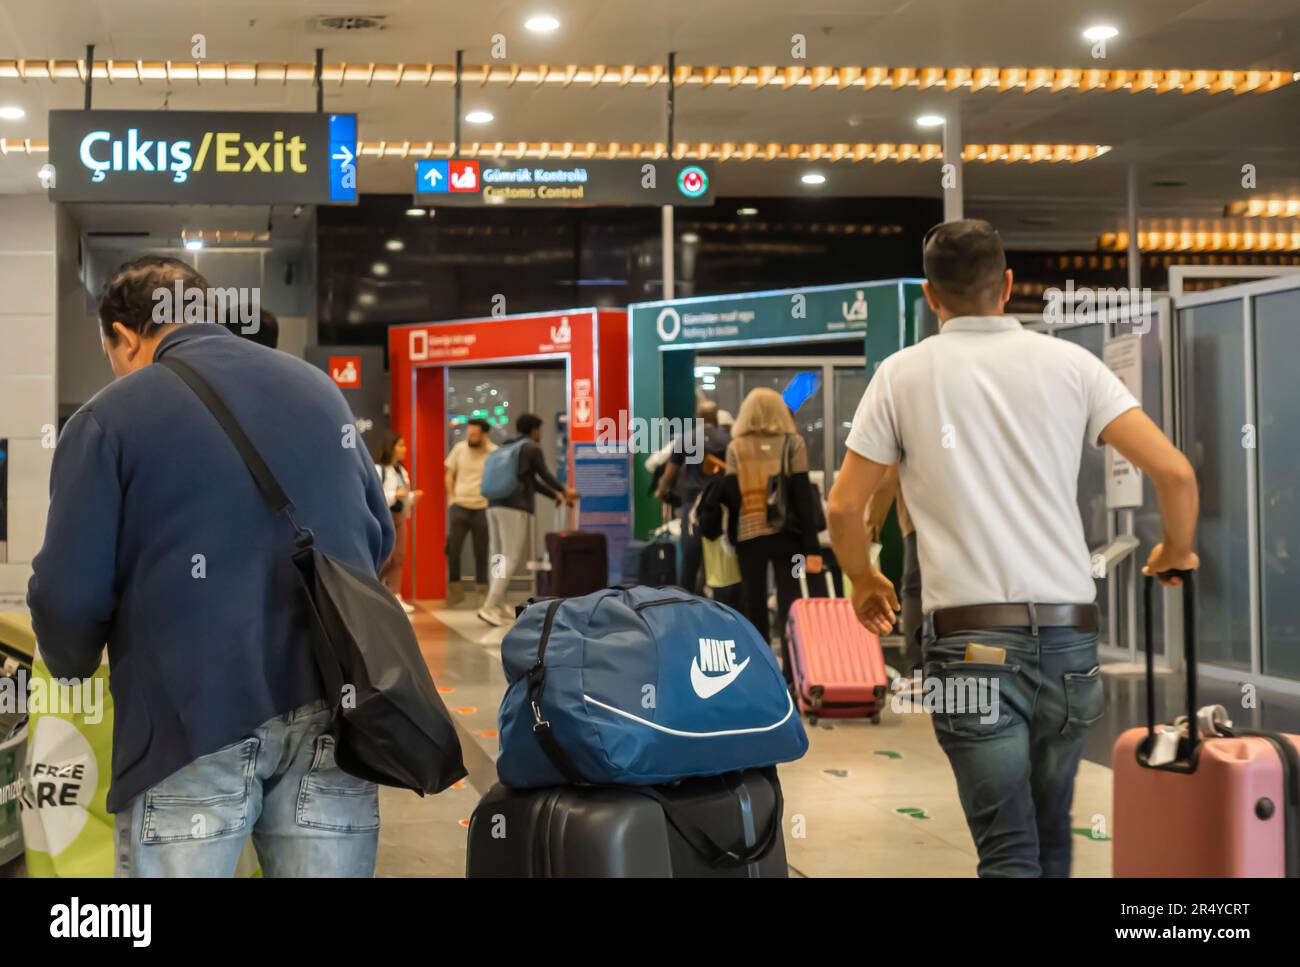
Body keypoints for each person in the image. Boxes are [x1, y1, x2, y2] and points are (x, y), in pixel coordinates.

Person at [827, 219, 1199, 878]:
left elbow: (842, 505)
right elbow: (1174, 472)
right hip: (1068, 646)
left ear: (930, 296)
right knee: (1052, 835)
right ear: (1006, 285)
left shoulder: (901, 374)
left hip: (969, 645)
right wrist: (1175, 549)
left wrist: (862, 578)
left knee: (1007, 846)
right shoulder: (1072, 364)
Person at [28, 255, 394, 877]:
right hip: (334, 712)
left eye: (110, 351)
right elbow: (377, 540)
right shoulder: (319, 391)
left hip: (188, 721)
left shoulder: (107, 418)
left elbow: (68, 598)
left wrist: (71, 664)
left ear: (123, 336)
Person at [715, 387, 822, 678]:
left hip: (750, 538)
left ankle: (761, 674)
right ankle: (792, 673)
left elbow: (734, 498)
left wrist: (733, 538)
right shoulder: (794, 444)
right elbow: (802, 496)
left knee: (755, 604)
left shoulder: (737, 447)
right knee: (790, 603)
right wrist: (812, 546)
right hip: (789, 536)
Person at [478, 413, 578, 627]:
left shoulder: (507, 447)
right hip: (515, 507)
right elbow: (544, 475)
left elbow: (531, 481)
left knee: (497, 556)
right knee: (510, 556)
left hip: (494, 503)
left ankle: (497, 603)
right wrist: (564, 490)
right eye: (539, 429)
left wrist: (555, 496)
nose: (540, 434)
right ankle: (489, 606)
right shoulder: (531, 448)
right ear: (533, 429)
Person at [657, 400, 731, 593]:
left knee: (690, 561)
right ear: (716, 417)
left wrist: (662, 490)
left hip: (692, 506)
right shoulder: (727, 440)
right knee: (720, 563)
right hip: (720, 506)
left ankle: (687, 603)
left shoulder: (686, 439)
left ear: (697, 418)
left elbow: (670, 473)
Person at [864, 466, 924, 675]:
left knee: (914, 590)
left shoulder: (911, 434)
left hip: (918, 522)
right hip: (960, 523)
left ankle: (918, 670)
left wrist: (871, 525)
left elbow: (888, 479)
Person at [444, 418, 496, 607]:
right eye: (469, 433)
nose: (470, 437)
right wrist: (451, 498)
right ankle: (455, 591)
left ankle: (483, 591)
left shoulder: (494, 452)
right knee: (453, 549)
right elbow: (449, 473)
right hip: (460, 506)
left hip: (482, 507)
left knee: (481, 551)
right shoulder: (459, 448)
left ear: (484, 434)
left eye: (474, 434)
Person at [376, 431, 424, 614]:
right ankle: (379, 594)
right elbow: (376, 496)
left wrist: (411, 497)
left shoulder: (401, 471)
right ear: (391, 447)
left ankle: (395, 594)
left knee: (399, 556)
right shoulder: (378, 469)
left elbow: (403, 497)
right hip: (383, 518)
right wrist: (394, 495)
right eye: (401, 445)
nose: (404, 449)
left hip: (399, 517)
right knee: (384, 558)